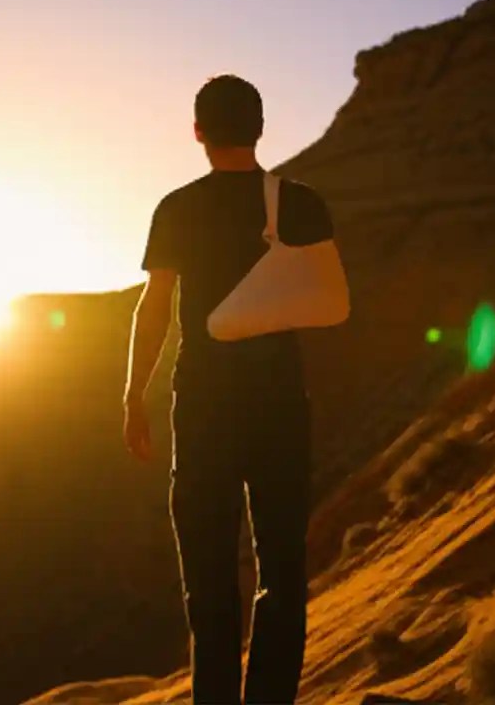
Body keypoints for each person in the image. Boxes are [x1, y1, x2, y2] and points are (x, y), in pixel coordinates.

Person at [122, 74, 334, 705]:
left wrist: (134, 396)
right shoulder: (300, 202)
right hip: (279, 405)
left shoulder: (177, 207)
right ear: (261, 128)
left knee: (209, 580)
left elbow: (153, 309)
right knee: (283, 572)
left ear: (198, 133)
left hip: (205, 406)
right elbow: (328, 298)